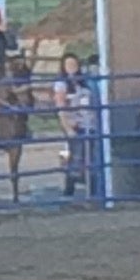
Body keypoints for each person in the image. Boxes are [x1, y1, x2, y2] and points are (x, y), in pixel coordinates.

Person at [52, 52, 94, 198]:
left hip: (89, 123)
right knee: (75, 155)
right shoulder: (61, 84)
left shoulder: (83, 82)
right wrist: (67, 127)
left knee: (90, 155)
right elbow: (60, 106)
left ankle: (90, 187)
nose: (72, 67)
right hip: (74, 124)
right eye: (68, 65)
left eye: (74, 64)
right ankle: (70, 187)